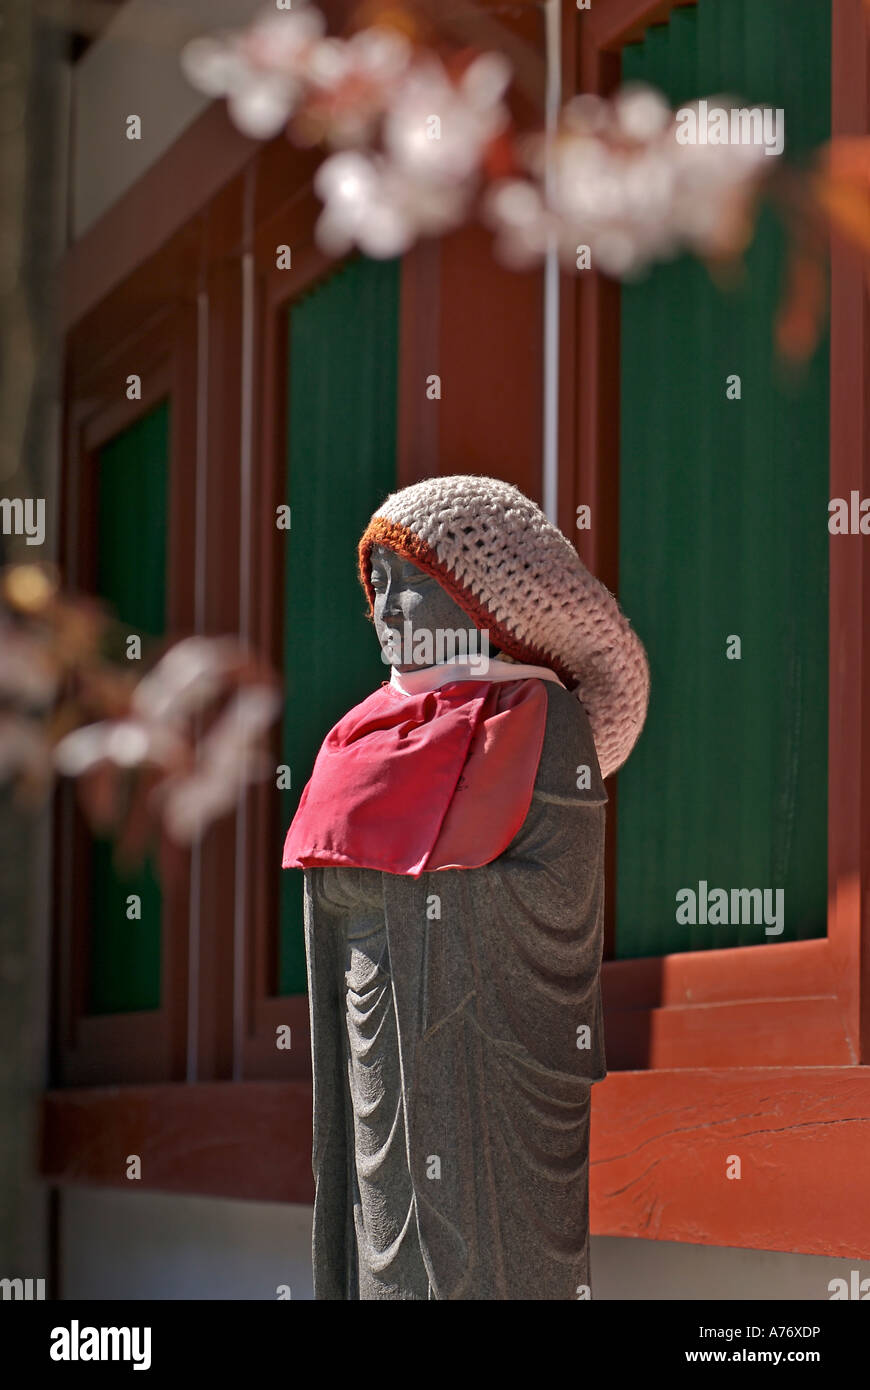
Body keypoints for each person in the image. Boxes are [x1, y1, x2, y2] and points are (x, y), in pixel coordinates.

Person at [282, 474, 649, 1299]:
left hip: (492, 1060)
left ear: (480, 601)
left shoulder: (540, 722)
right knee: (381, 1229)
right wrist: (367, 899)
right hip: (381, 1022)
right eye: (379, 590)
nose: (388, 614)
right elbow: (335, 887)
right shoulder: (364, 734)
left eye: (415, 590)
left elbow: (560, 904)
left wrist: (403, 898)